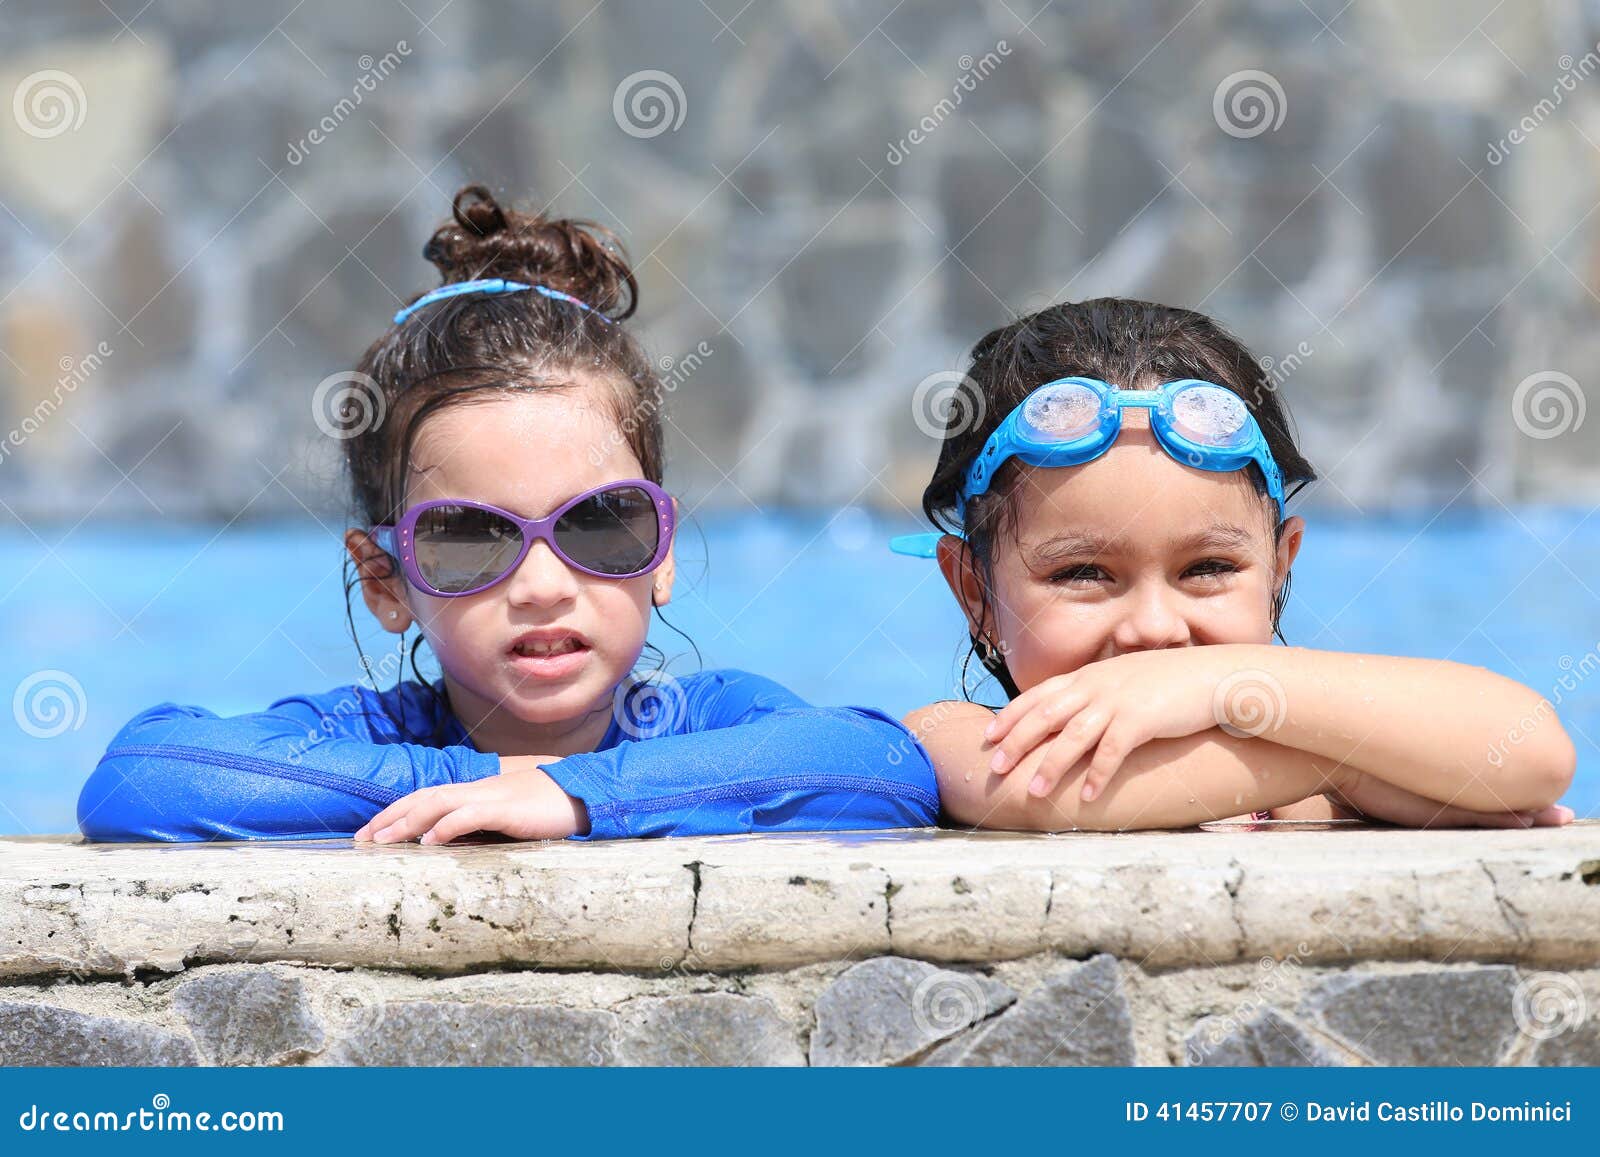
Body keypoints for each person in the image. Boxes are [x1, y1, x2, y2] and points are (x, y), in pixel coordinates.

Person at [78, 186, 938, 845]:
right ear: (385, 578)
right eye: (467, 537)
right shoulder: (371, 734)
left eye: (602, 524)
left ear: (664, 549)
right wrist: (481, 777)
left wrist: (576, 793)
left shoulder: (701, 721)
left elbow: (883, 764)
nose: (541, 585)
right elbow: (146, 775)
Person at [895, 297, 1575, 832]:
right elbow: (1051, 795)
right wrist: (1348, 767)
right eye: (1083, 573)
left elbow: (1535, 751)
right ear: (974, 590)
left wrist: (1221, 680)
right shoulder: (947, 738)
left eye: (1208, 567)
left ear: (1280, 568)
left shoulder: (1302, 778)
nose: (1155, 630)